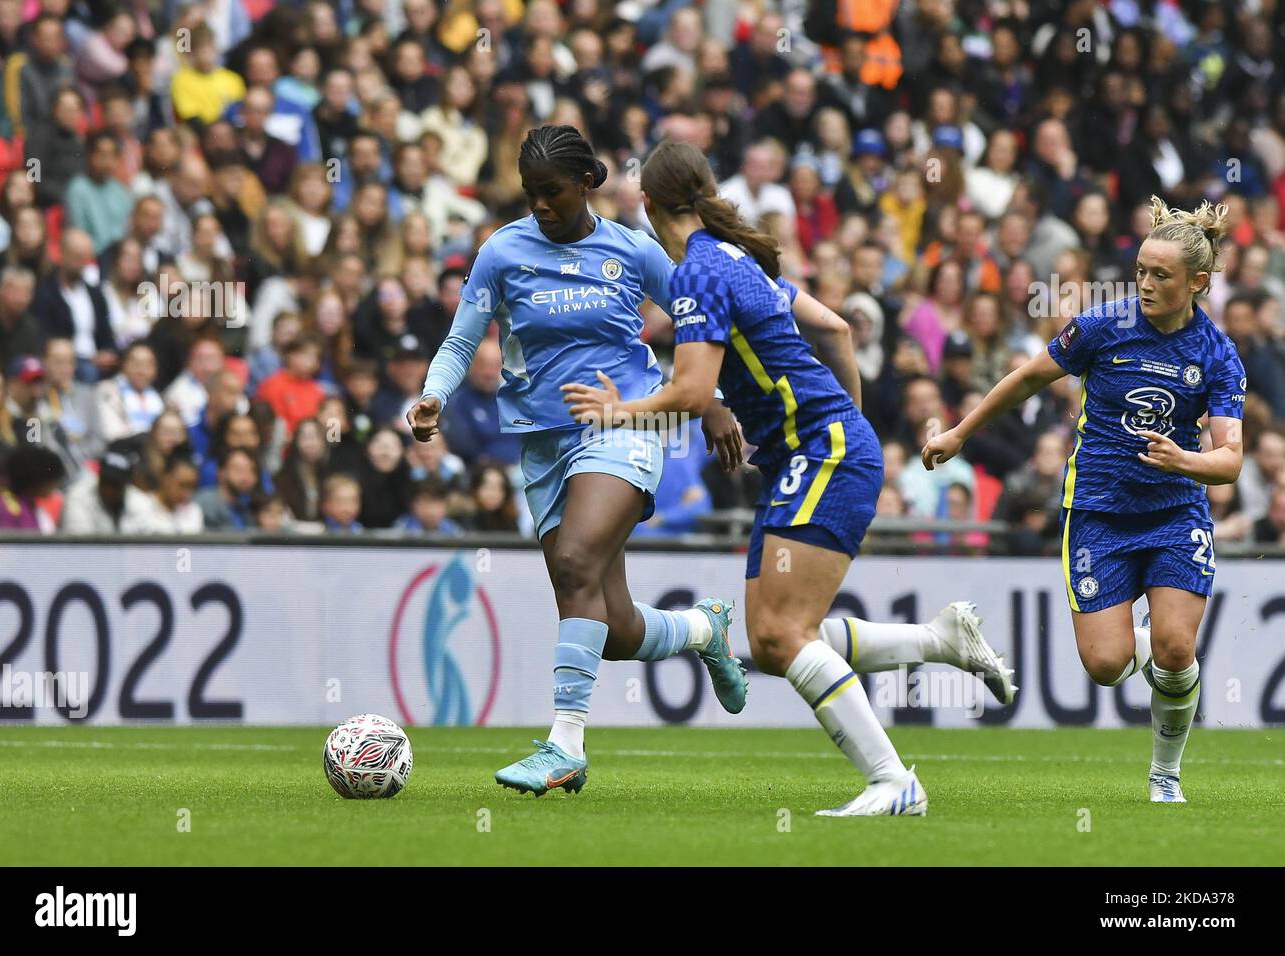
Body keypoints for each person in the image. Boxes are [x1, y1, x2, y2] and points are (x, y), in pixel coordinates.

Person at [564, 140, 1015, 817]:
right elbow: (835, 329)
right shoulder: (736, 259)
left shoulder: (697, 273)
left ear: (649, 206)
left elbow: (691, 391)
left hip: (820, 455)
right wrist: (848, 427)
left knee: (780, 635)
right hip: (822, 452)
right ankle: (938, 641)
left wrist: (615, 410)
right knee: (775, 639)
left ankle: (894, 782)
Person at [407, 125, 749, 797]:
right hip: (542, 444)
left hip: (622, 423)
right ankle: (704, 628)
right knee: (610, 624)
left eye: (552, 193)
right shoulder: (502, 252)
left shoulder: (632, 250)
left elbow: (700, 315)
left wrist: (706, 401)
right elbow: (460, 339)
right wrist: (433, 396)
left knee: (574, 563)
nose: (539, 206)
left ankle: (564, 743)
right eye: (530, 194)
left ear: (588, 184)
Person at [923, 197, 1247, 804]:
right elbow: (1027, 378)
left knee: (1178, 649)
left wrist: (1186, 461)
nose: (1146, 284)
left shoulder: (1217, 354)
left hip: (1177, 510)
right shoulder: (1102, 326)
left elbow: (1229, 460)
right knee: (1105, 666)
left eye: (1162, 276)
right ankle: (1145, 644)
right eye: (1142, 271)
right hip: (1098, 511)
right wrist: (959, 433)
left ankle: (1164, 775)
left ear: (1198, 283)